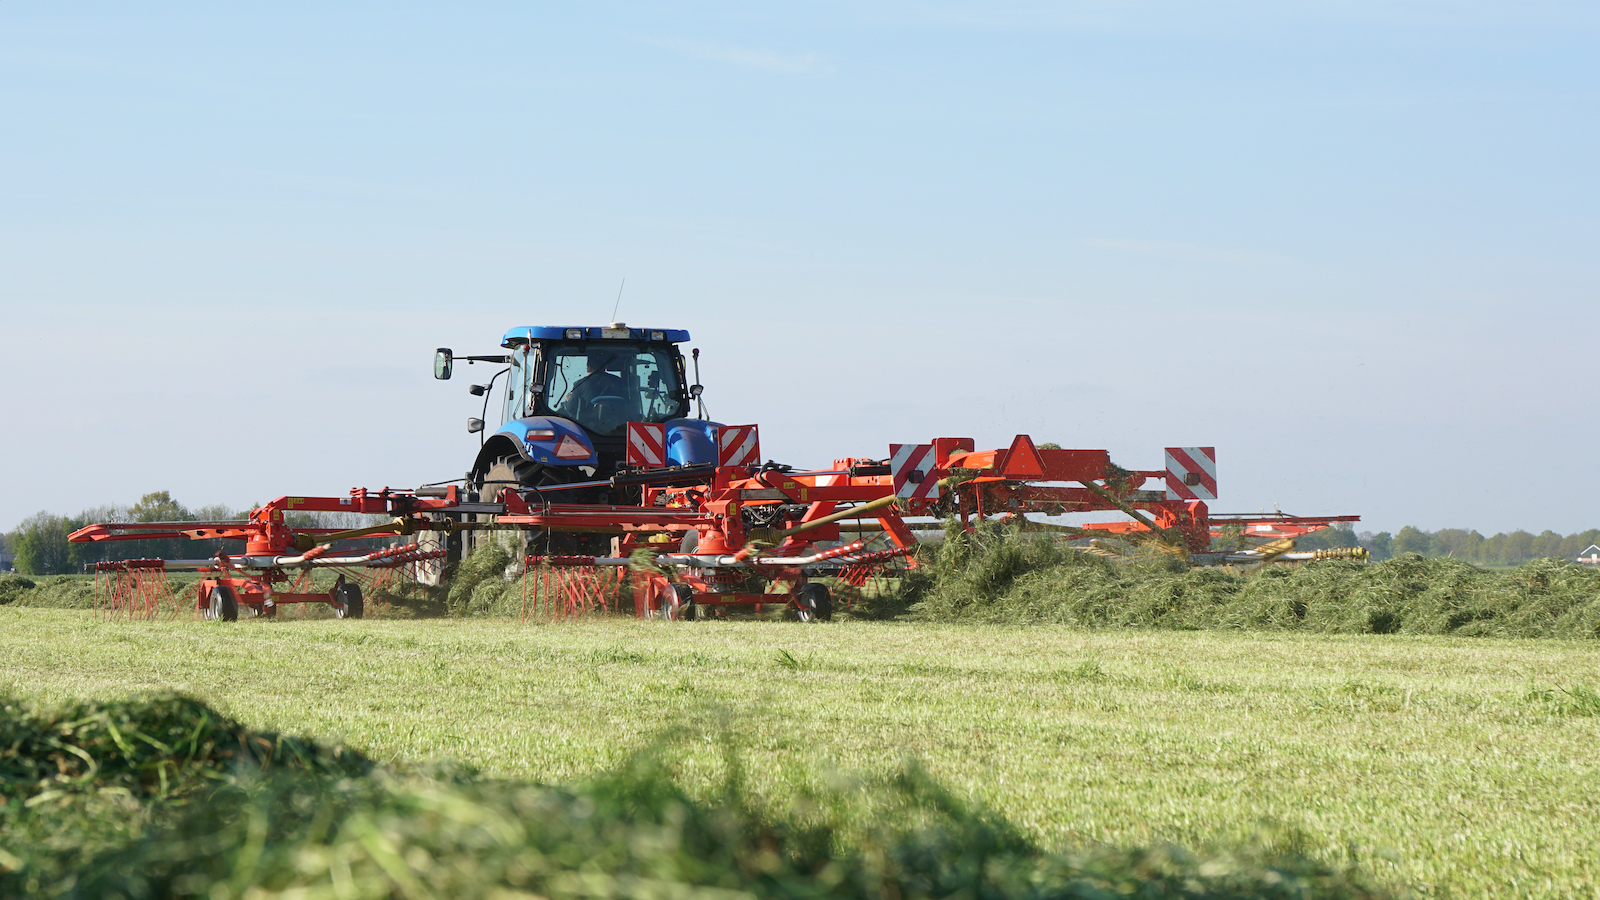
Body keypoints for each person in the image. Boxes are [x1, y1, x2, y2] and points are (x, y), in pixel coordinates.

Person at [555, 349, 628, 423]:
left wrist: (569, 400)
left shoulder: (580, 384)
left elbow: (571, 409)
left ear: (589, 366)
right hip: (618, 425)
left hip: (588, 425)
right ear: (604, 366)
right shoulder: (619, 382)